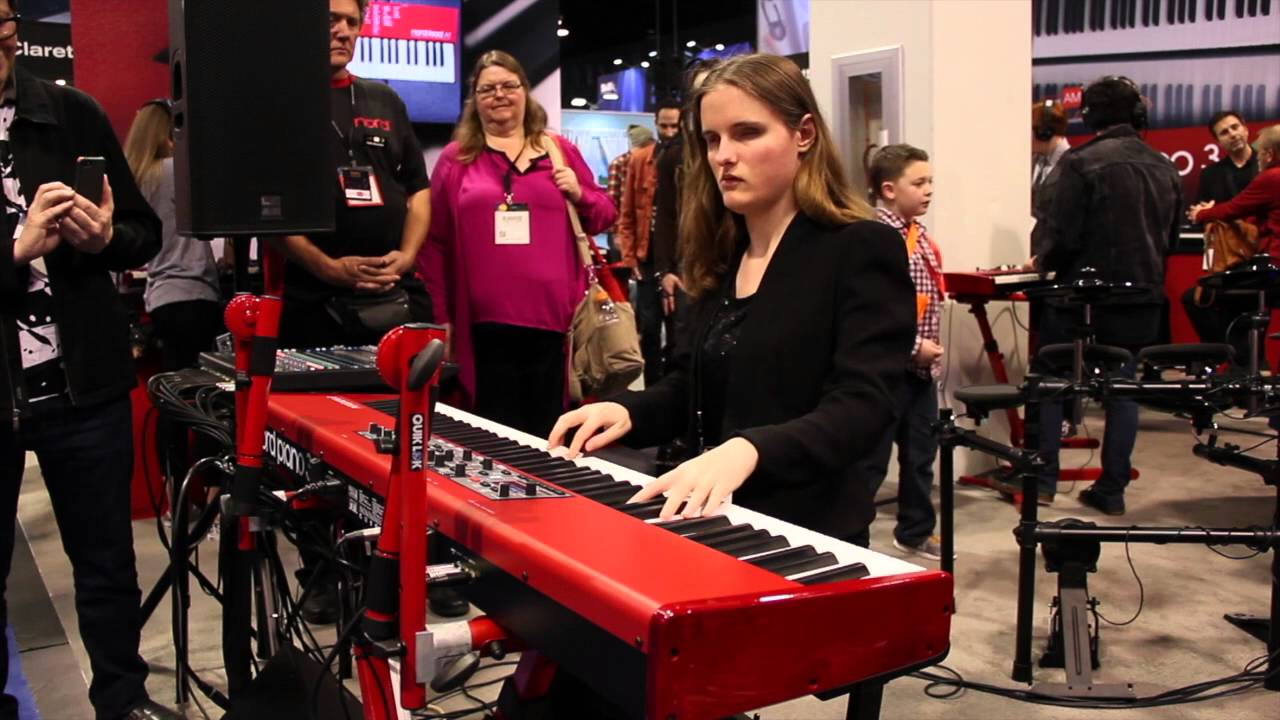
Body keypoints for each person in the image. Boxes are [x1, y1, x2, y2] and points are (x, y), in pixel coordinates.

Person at [545, 54, 914, 542]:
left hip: (805, 536)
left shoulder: (859, 247)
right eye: (713, 139)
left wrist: (749, 450)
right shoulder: (723, 252)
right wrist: (630, 411)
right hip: (712, 523)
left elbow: (864, 406)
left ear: (804, 134)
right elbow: (691, 385)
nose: (723, 155)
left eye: (747, 133)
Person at [0, 2, 180, 718]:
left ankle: (123, 698)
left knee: (106, 564)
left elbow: (142, 231)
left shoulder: (71, 112)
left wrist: (107, 236)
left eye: (9, 35)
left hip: (86, 389)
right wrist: (15, 253)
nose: (7, 51)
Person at [1003, 76, 1182, 516]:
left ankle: (1042, 480)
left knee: (1048, 376)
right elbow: (1171, 239)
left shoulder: (1081, 164)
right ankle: (1112, 489)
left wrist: (1041, 260)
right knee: (1123, 387)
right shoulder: (1165, 166)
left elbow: (1062, 236)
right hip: (1143, 297)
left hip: (1083, 300)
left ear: (1089, 115)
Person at [418, 50, 617, 437]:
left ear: (526, 91)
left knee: (551, 437)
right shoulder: (456, 159)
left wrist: (580, 193)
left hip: (557, 325)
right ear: (474, 100)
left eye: (509, 85)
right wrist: (440, 316)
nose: (499, 95)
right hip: (483, 326)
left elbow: (604, 215)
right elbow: (434, 243)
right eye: (487, 89)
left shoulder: (560, 151)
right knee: (495, 435)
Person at [274, 0, 433, 351]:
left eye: (351, 21)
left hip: (396, 292)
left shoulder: (384, 98)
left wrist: (407, 256)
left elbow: (418, 188)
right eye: (331, 20)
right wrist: (328, 268)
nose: (343, 31)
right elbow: (270, 212)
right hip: (316, 302)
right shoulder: (280, 101)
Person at [856, 144, 945, 558]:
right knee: (870, 460)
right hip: (887, 370)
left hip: (920, 374)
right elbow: (869, 311)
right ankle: (851, 533)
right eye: (919, 182)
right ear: (889, 189)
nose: (929, 190)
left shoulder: (920, 236)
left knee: (921, 455)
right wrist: (913, 347)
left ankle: (914, 530)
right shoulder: (874, 237)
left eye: (930, 182)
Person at [124, 99, 222, 371]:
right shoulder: (176, 171)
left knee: (177, 388)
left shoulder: (139, 177)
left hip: (161, 296)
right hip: (193, 293)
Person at [1181, 113, 1266, 361]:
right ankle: (1233, 359)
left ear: (1246, 128)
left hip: (1263, 256)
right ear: (1218, 141)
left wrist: (1215, 212)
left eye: (1234, 127)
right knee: (1195, 299)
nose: (1232, 134)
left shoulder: (1266, 166)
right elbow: (1203, 218)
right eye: (1224, 132)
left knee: (1251, 312)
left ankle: (1246, 365)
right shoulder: (1211, 174)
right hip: (1227, 259)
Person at [618, 99, 681, 385]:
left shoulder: (688, 159)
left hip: (679, 260)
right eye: (664, 125)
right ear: (655, 124)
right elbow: (628, 210)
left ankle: (674, 389)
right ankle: (655, 388)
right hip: (647, 257)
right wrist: (630, 257)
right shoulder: (640, 159)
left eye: (674, 126)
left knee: (678, 329)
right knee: (650, 329)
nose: (668, 131)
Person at [1189, 125, 1280, 253]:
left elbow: (1232, 209)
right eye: (1224, 132)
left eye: (1259, 152)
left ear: (1269, 154)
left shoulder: (1272, 177)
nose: (1257, 157)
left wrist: (1199, 214)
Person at [605, 124, 653, 260]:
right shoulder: (620, 163)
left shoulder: (654, 162)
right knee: (620, 274)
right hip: (623, 229)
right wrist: (616, 233)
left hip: (643, 230)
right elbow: (612, 201)